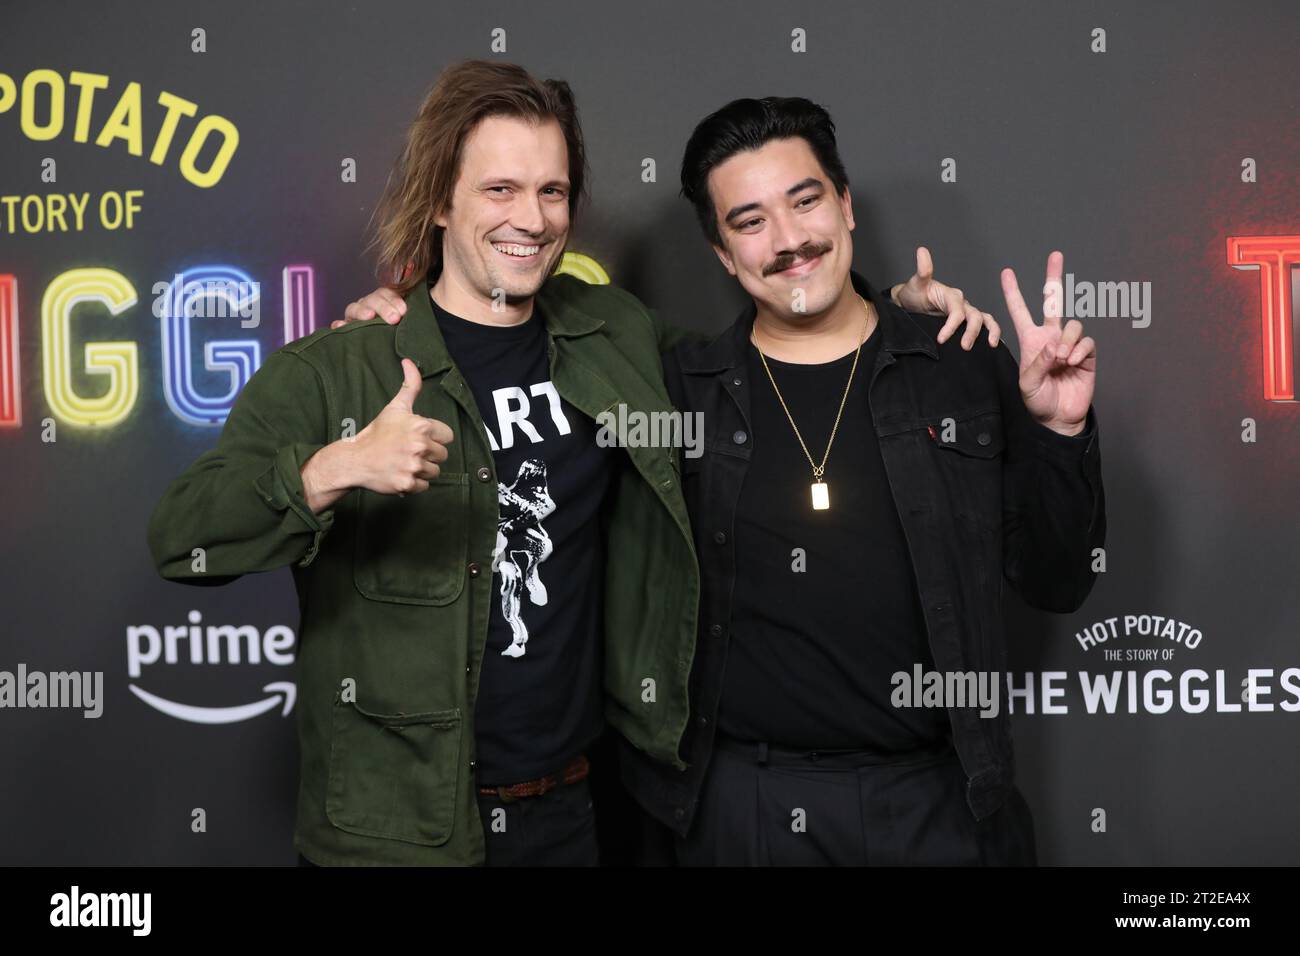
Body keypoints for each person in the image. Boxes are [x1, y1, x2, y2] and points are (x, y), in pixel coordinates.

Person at [160, 59, 991, 866]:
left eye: (551, 191)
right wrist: (332, 468)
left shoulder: (614, 334)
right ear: (439, 202)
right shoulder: (339, 369)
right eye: (500, 189)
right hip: (396, 835)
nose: (532, 217)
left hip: (579, 816)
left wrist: (888, 314)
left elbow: (768, 350)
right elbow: (183, 538)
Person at [613, 96, 1104, 865]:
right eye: (750, 221)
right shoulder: (681, 391)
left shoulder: (960, 361)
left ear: (844, 206)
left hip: (937, 802)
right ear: (720, 252)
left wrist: (1060, 430)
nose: (789, 240)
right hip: (745, 810)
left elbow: (1058, 580)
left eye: (805, 201)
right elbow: (544, 326)